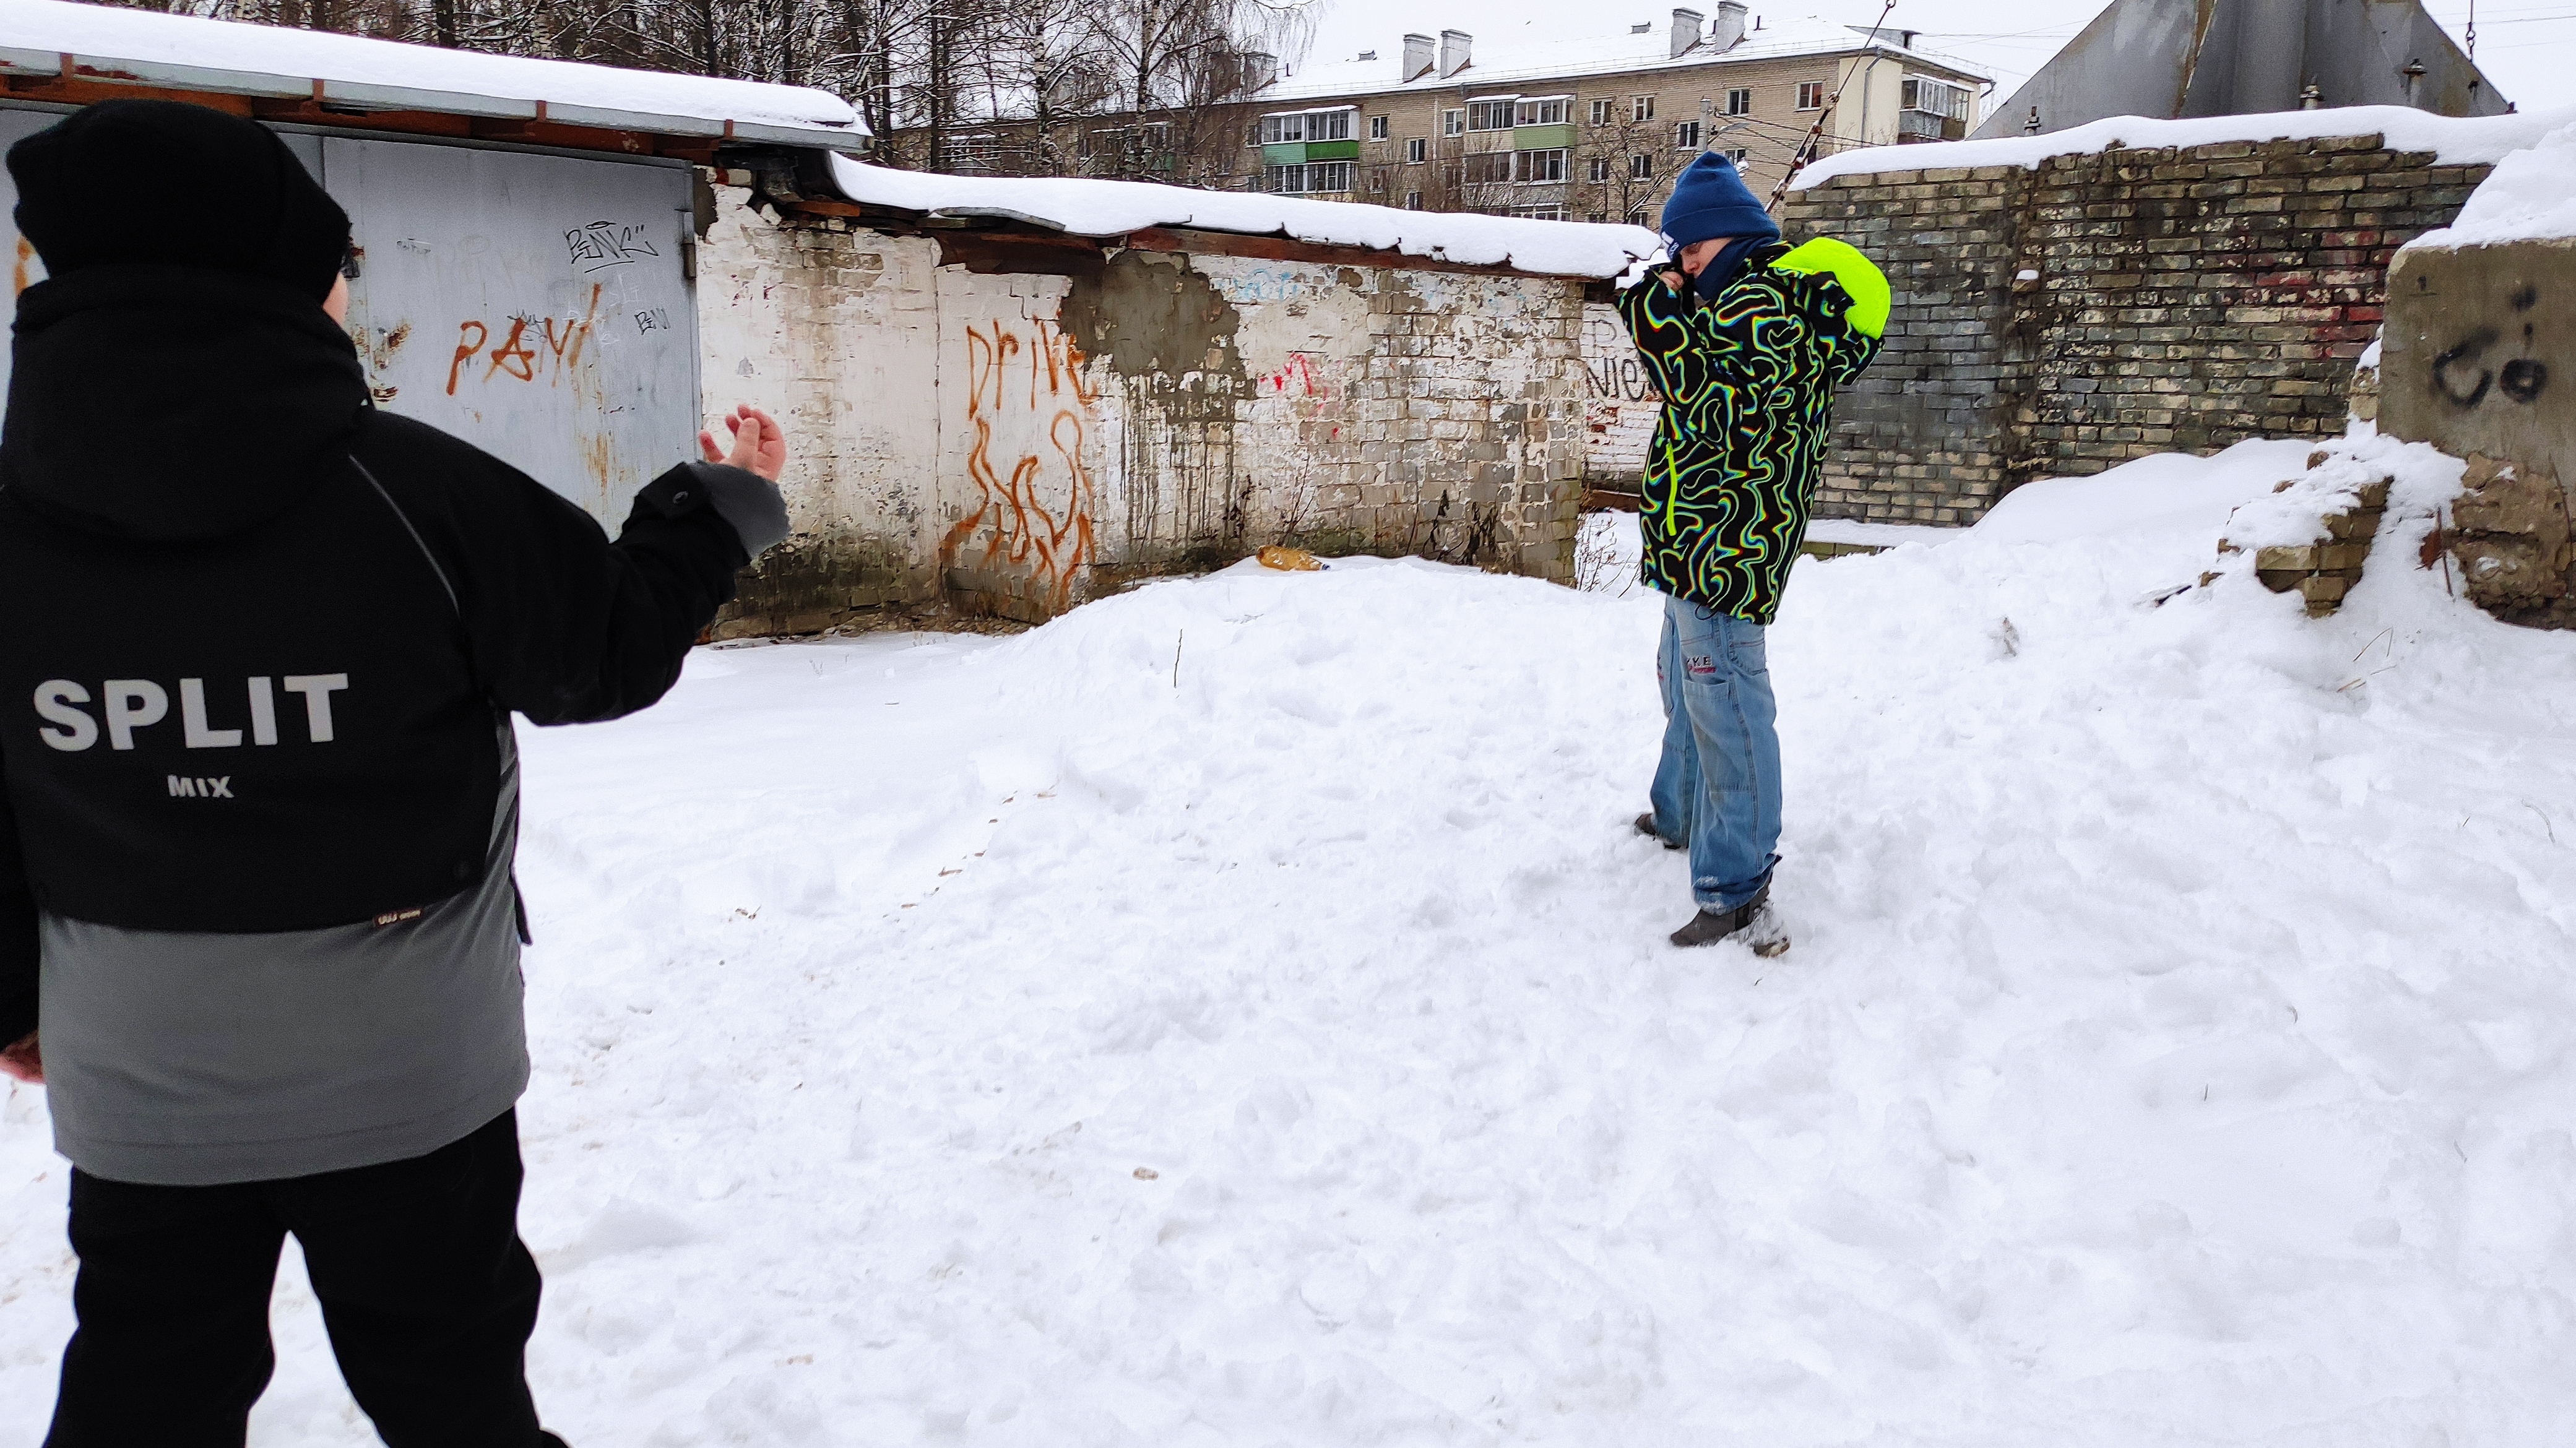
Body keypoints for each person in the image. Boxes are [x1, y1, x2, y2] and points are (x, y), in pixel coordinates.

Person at [0, 100, 791, 1446]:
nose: (350, 285)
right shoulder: (413, 494)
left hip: (136, 1075)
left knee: (147, 1383)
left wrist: (11, 992)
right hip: (409, 1082)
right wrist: (711, 508)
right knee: (452, 1389)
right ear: (279, 279)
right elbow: (600, 653)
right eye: (338, 259)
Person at [1617, 152, 1889, 952]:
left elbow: (1697, 381)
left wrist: (1646, 311)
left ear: (1723, 239)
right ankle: (1677, 815)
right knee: (1683, 685)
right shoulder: (1739, 300)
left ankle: (1736, 888)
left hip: (1726, 554)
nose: (1677, 267)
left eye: (1686, 253)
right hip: (1695, 544)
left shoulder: (1767, 309)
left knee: (1729, 708)